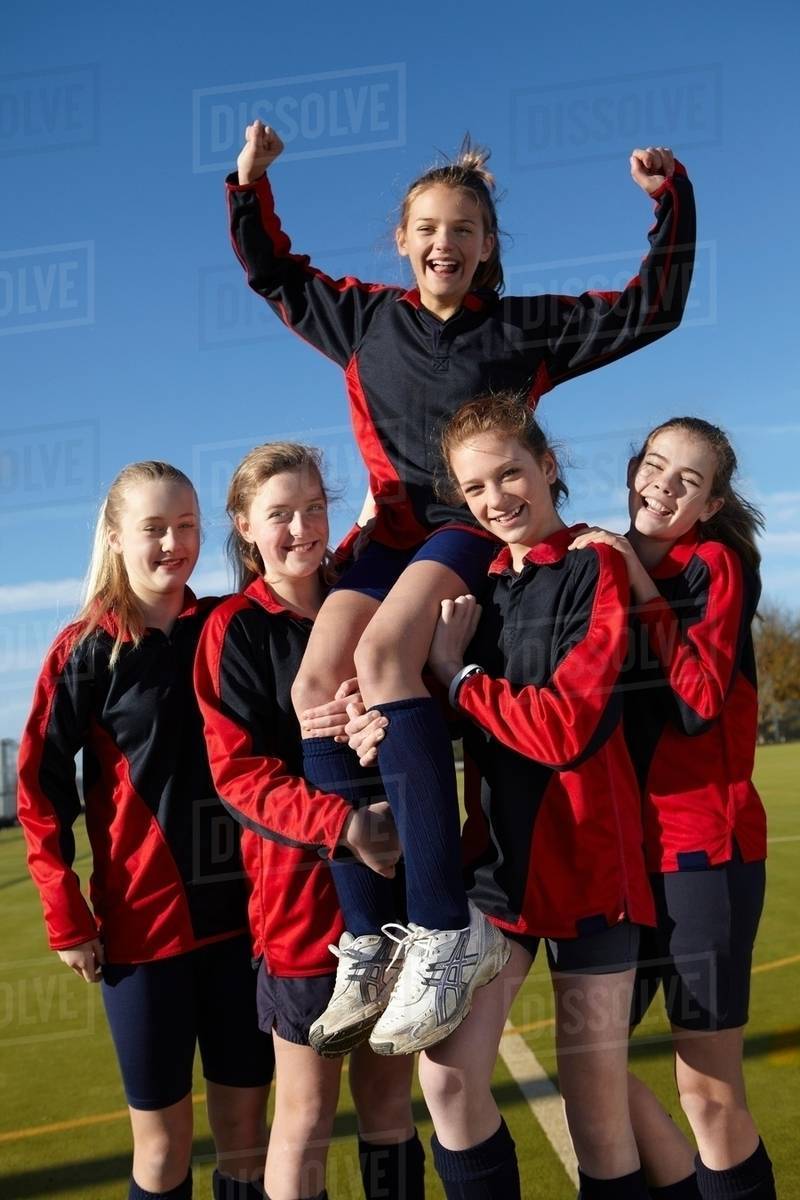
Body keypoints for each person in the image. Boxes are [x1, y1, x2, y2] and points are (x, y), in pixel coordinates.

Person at [228, 122, 695, 1056]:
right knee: (317, 686)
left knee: (383, 657)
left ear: (488, 248)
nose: (446, 242)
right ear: (402, 241)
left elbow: (654, 308)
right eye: (428, 228)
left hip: (457, 531)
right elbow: (275, 273)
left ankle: (441, 929)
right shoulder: (363, 318)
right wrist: (249, 185)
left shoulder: (523, 328)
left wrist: (670, 201)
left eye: (466, 229)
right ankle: (367, 937)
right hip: (385, 534)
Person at [350, 392, 657, 1197]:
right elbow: (414, 711)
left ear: (548, 466)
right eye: (476, 488)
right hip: (498, 873)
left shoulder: (596, 564)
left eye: (510, 474)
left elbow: (566, 729)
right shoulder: (474, 583)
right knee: (447, 1081)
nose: (496, 500)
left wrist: (462, 676)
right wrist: (362, 721)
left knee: (596, 1112)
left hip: (593, 868)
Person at [16, 461, 272, 1200]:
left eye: (187, 526)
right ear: (117, 537)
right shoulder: (85, 650)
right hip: (143, 936)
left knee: (246, 1144)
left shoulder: (229, 627)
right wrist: (66, 914)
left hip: (244, 927)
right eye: (154, 528)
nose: (173, 543)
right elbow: (39, 785)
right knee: (161, 1156)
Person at [193, 442, 425, 1200]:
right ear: (245, 527)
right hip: (300, 907)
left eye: (315, 507)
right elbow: (239, 775)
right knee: (306, 1114)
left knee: (392, 1106)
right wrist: (343, 824)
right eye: (279, 514)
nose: (301, 527)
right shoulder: (233, 628)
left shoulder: (363, 600)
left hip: (397, 894)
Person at [568, 417, 776, 1199]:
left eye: (687, 480)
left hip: (701, 854)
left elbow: (695, 704)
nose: (662, 486)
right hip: (618, 857)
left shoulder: (715, 564)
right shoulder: (592, 562)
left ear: (711, 502)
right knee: (592, 1067)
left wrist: (638, 580)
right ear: (632, 470)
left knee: (708, 1092)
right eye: (654, 466)